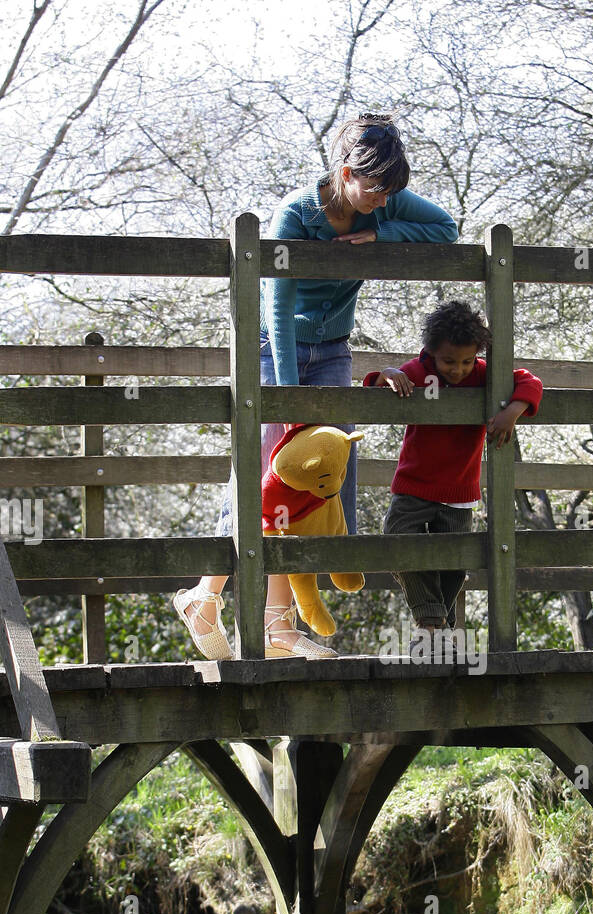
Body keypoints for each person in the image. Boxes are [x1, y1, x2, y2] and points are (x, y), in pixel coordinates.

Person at [174, 112, 458, 659]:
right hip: (273, 352)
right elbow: (276, 313)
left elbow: (445, 228)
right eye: (374, 188)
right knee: (265, 474)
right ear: (346, 171)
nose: (383, 198)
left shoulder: (385, 202)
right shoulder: (295, 216)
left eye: (391, 191)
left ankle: (277, 629)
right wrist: (285, 404)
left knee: (316, 483)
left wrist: (383, 233)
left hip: (333, 351)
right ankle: (205, 596)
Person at [365, 300, 542, 652]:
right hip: (413, 487)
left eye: (466, 360)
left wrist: (513, 411)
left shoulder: (481, 374)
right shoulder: (418, 371)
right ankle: (432, 623)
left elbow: (529, 381)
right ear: (431, 352)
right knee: (397, 542)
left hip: (460, 490)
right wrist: (388, 372)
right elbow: (372, 388)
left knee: (454, 565)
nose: (459, 370)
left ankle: (434, 632)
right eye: (449, 361)